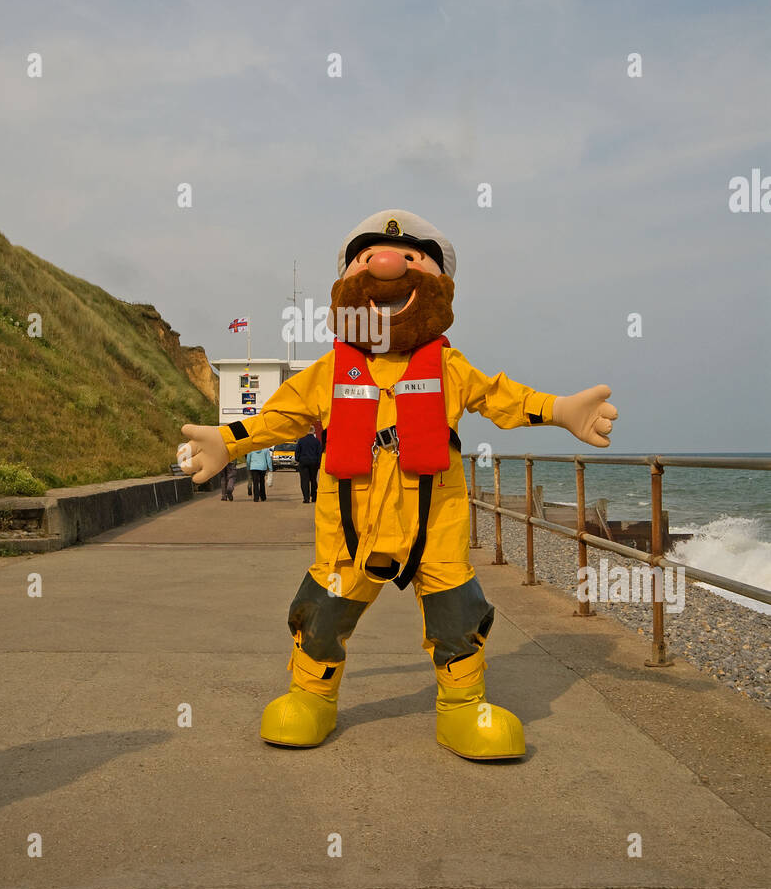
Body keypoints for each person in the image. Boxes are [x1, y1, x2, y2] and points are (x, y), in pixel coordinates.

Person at [178, 209, 617, 761]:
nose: (387, 266)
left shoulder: (450, 368)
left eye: (411, 260)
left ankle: (462, 705)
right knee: (326, 607)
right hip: (348, 524)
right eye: (370, 259)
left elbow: (503, 398)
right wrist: (229, 440)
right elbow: (278, 417)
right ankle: (311, 695)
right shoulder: (330, 372)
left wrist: (559, 409)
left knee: (456, 608)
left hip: (436, 522)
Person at [294, 427, 322, 503]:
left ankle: (306, 498)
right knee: (313, 480)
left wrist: (297, 459)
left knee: (304, 481)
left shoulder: (301, 440)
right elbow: (319, 453)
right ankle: (314, 497)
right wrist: (319, 463)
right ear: (314, 431)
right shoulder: (317, 441)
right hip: (314, 462)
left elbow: (297, 451)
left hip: (303, 462)